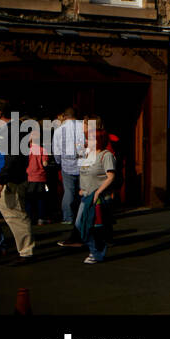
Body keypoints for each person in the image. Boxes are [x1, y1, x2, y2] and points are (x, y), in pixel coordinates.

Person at [0, 100, 34, 263]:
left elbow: (12, 158)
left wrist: (1, 181)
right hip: (0, 180)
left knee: (15, 216)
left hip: (7, 182)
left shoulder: (14, 130)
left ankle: (26, 252)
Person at [75, 117, 118, 264]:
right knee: (80, 224)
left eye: (91, 139)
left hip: (98, 197)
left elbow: (111, 177)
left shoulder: (106, 156)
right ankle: (96, 249)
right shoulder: (88, 154)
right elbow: (84, 172)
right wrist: (82, 188)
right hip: (86, 196)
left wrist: (99, 191)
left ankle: (97, 252)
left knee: (95, 227)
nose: (88, 141)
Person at [52, 107, 85, 230]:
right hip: (83, 163)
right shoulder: (85, 127)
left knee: (69, 192)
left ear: (65, 117)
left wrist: (59, 161)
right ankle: (83, 215)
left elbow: (56, 150)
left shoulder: (59, 130)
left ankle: (68, 217)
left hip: (67, 164)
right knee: (85, 191)